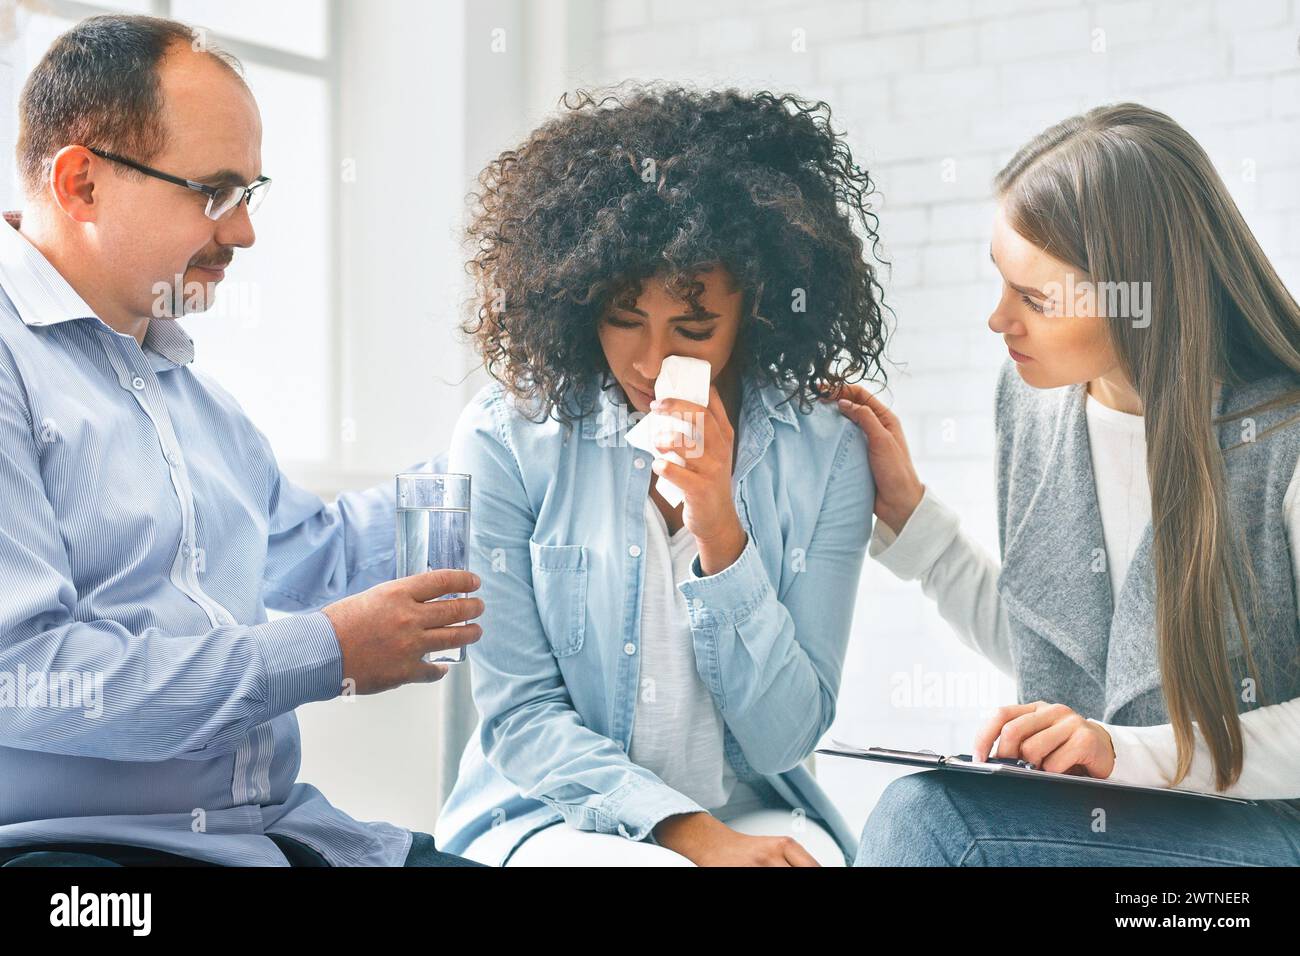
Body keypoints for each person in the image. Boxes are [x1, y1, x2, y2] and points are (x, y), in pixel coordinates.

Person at [0, 14, 483, 867]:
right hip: (85, 860)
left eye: (249, 196)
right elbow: (27, 679)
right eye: (214, 193)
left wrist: (520, 432)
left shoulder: (192, 399)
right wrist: (322, 653)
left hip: (274, 833)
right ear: (80, 182)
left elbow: (318, 561)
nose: (244, 233)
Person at [830, 103, 1300, 866]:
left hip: (1268, 836)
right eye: (1001, 282)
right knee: (927, 809)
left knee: (934, 825)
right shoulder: (1033, 405)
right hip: (1106, 827)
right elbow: (1065, 646)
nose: (997, 321)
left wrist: (1121, 752)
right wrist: (912, 523)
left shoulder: (1283, 437)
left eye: (1036, 300)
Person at [433, 86, 884, 866]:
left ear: (758, 305)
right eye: (622, 317)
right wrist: (687, 835)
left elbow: (788, 734)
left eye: (695, 326)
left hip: (753, 808)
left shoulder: (828, 451)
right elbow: (523, 717)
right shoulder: (505, 439)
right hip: (553, 815)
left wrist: (720, 529)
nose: (650, 362)